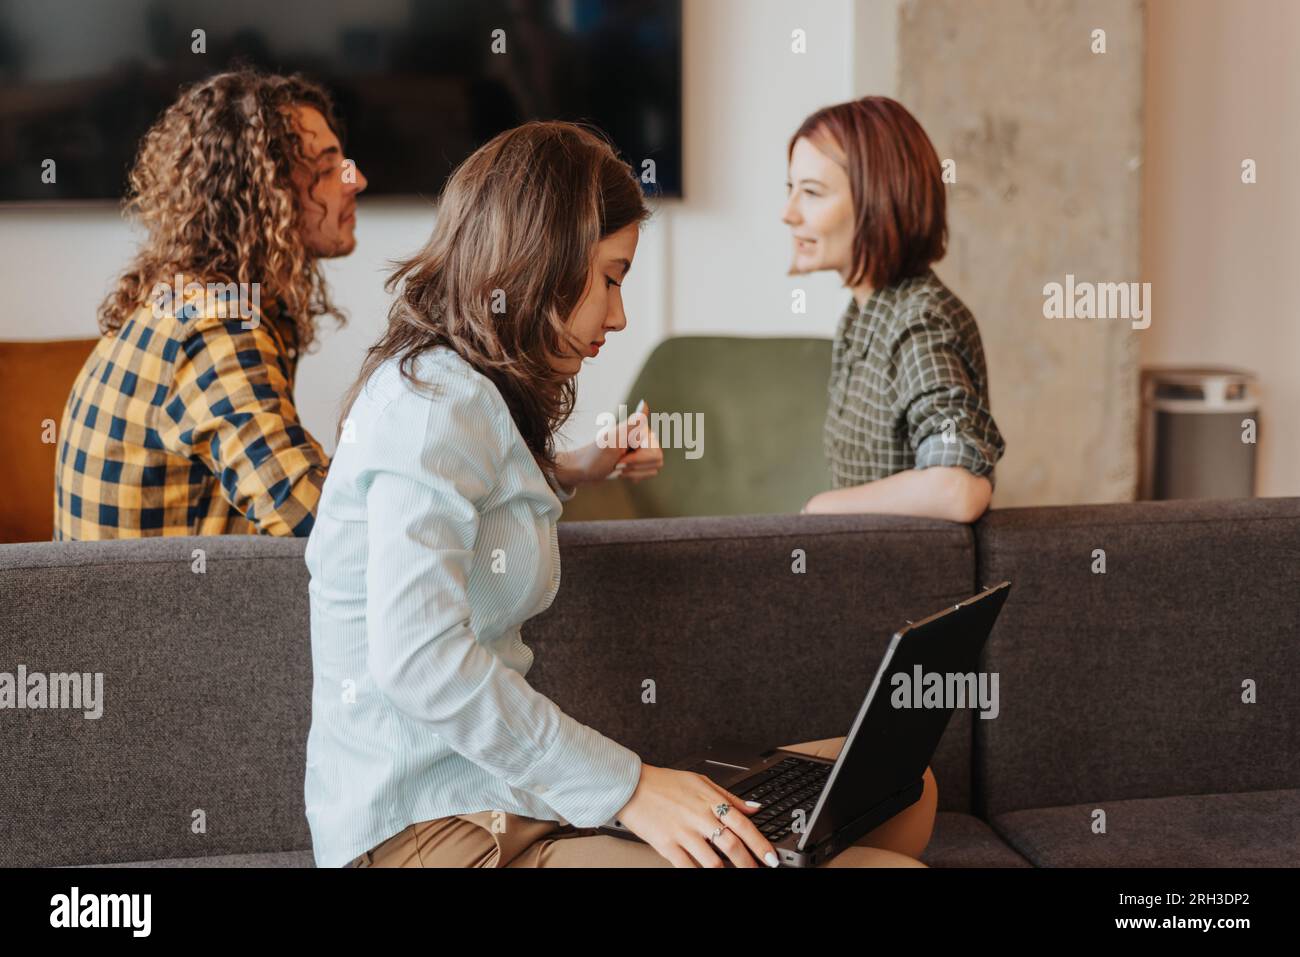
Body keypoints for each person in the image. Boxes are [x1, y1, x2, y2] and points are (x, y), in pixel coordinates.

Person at [304, 120, 936, 868]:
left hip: (515, 794)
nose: (619, 312)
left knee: (906, 789)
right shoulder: (429, 408)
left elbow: (477, 497)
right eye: (611, 276)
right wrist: (633, 788)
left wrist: (576, 467)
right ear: (539, 259)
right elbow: (418, 661)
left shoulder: (464, 396)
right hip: (428, 830)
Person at [54, 69, 366, 540]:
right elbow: (311, 516)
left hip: (137, 601)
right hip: (155, 611)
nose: (356, 180)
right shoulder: (215, 324)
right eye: (324, 169)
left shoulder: (189, 296)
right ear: (264, 194)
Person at [783, 96, 1006, 522]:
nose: (787, 213)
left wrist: (819, 508)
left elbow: (957, 487)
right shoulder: (864, 312)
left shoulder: (919, 321)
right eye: (789, 189)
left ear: (878, 201)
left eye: (811, 193)